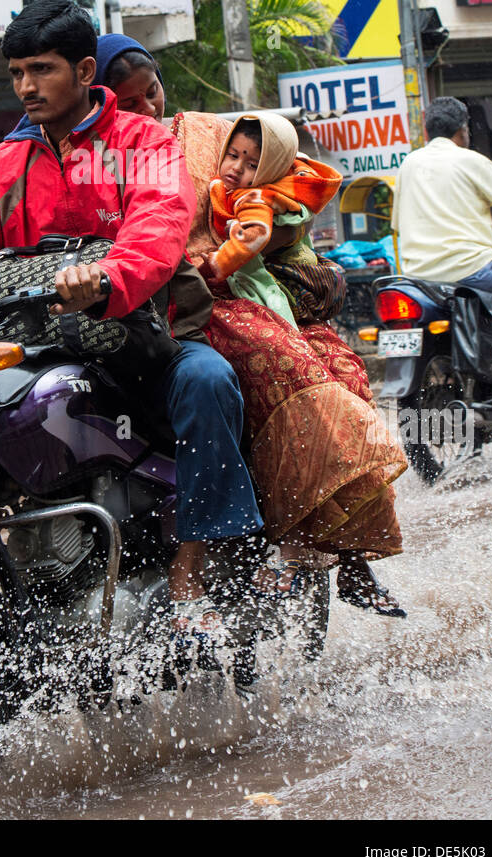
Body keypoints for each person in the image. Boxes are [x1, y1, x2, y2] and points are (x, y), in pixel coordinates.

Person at [0, 0, 263, 642]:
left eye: (41, 70)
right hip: (35, 346)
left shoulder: (143, 143)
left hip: (136, 335)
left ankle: (192, 574)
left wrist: (107, 278)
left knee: (208, 381)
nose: (26, 86)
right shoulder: (8, 161)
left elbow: (159, 227)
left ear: (82, 71)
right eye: (16, 71)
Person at [96, 35, 408, 618]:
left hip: (255, 295)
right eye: (128, 102)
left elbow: (289, 184)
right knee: (282, 364)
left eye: (153, 93)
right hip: (184, 308)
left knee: (343, 367)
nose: (148, 110)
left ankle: (350, 552)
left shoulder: (210, 135)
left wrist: (293, 245)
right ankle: (243, 550)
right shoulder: (97, 163)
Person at [392, 95, 492, 328]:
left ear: (427, 133)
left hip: (419, 278)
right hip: (473, 271)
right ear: (463, 129)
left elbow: (397, 225)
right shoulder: (472, 161)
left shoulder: (409, 164)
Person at [205, 113, 341, 330]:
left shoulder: (254, 196)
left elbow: (256, 233)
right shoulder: (280, 185)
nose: (237, 167)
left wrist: (217, 265)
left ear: (272, 169)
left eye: (252, 165)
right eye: (232, 155)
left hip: (288, 284)